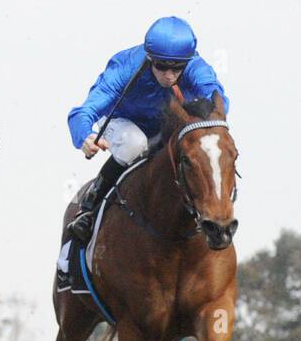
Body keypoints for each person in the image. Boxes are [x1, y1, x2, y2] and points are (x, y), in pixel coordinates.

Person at [66, 16, 226, 242]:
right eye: (161, 66)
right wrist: (85, 135)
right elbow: (82, 112)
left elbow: (217, 99)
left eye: (177, 68)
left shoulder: (196, 67)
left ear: (187, 62)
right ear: (150, 58)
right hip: (121, 122)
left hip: (165, 127)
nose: (169, 76)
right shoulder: (125, 67)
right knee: (135, 143)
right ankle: (88, 207)